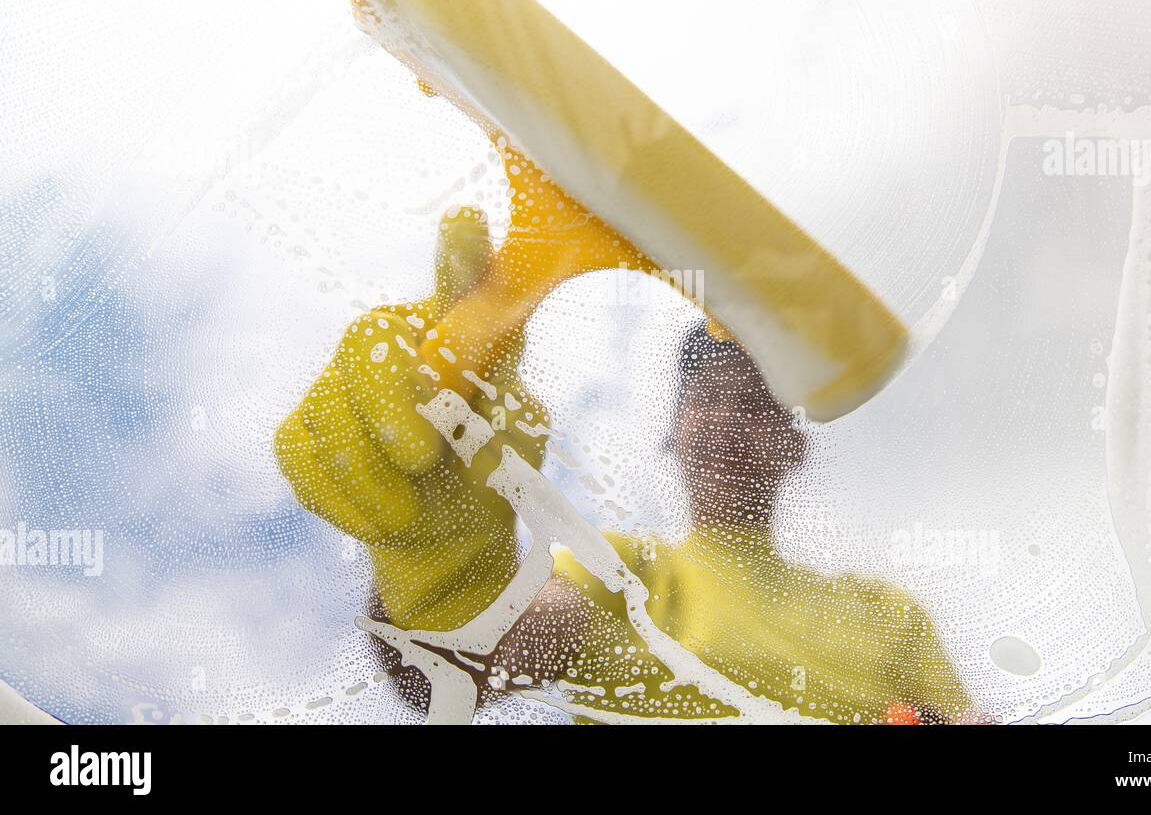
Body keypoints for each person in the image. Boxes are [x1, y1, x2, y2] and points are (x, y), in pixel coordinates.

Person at [275, 139, 976, 724]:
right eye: (708, 399)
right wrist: (432, 558)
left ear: (793, 444)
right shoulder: (624, 574)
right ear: (673, 431)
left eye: (757, 404)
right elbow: (451, 671)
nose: (730, 419)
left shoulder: (885, 613)